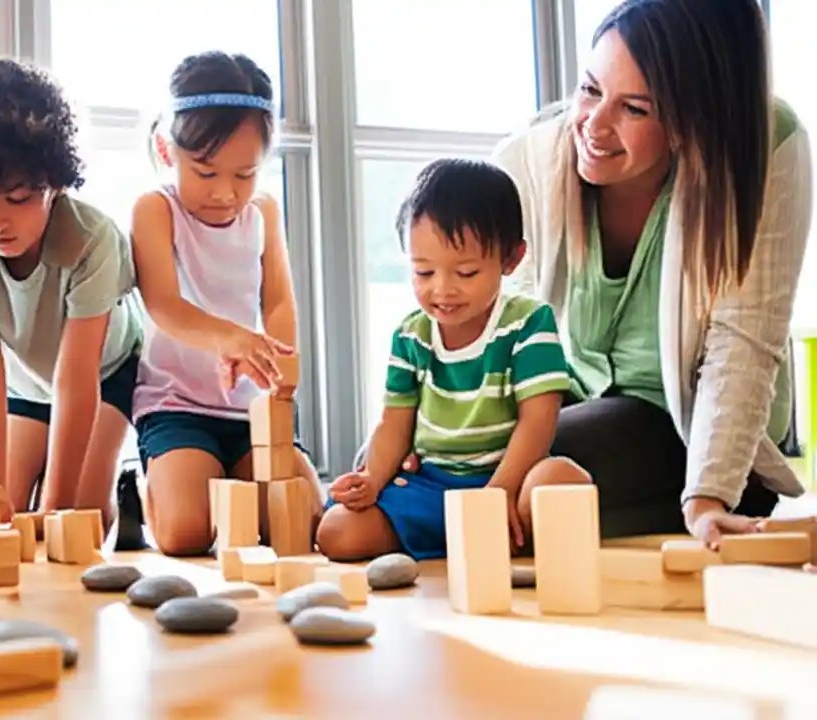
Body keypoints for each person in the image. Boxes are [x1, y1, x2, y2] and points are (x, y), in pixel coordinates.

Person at [492, 0, 812, 545]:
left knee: (536, 473)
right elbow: (501, 324)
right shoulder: (536, 155)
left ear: (693, 120)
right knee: (456, 462)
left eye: (634, 109)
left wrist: (709, 497)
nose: (593, 125)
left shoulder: (764, 145)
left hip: (692, 427)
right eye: (590, 89)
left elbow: (743, 339)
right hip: (578, 403)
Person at [0, 59, 145, 536]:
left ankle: (125, 492)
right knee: (4, 511)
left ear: (53, 184)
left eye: (16, 199)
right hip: (27, 383)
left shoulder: (92, 239)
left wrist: (56, 507)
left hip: (103, 372)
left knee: (78, 518)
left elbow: (78, 377)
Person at [318, 160, 589, 562]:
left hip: (504, 480)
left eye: (465, 272)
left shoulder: (529, 323)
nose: (442, 290)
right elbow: (394, 424)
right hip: (433, 486)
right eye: (423, 272)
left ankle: (499, 537)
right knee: (336, 532)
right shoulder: (411, 335)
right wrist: (372, 480)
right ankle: (468, 542)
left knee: (560, 480)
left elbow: (539, 421)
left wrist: (500, 492)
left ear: (512, 259)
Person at [131, 51, 322, 556]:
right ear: (166, 150)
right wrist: (232, 338)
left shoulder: (263, 212)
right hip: (176, 405)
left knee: (302, 523)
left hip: (248, 411)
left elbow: (277, 298)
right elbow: (164, 306)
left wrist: (281, 373)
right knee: (187, 534)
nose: (224, 194)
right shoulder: (156, 209)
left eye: (244, 174)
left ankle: (218, 475)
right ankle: (141, 487)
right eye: (206, 172)